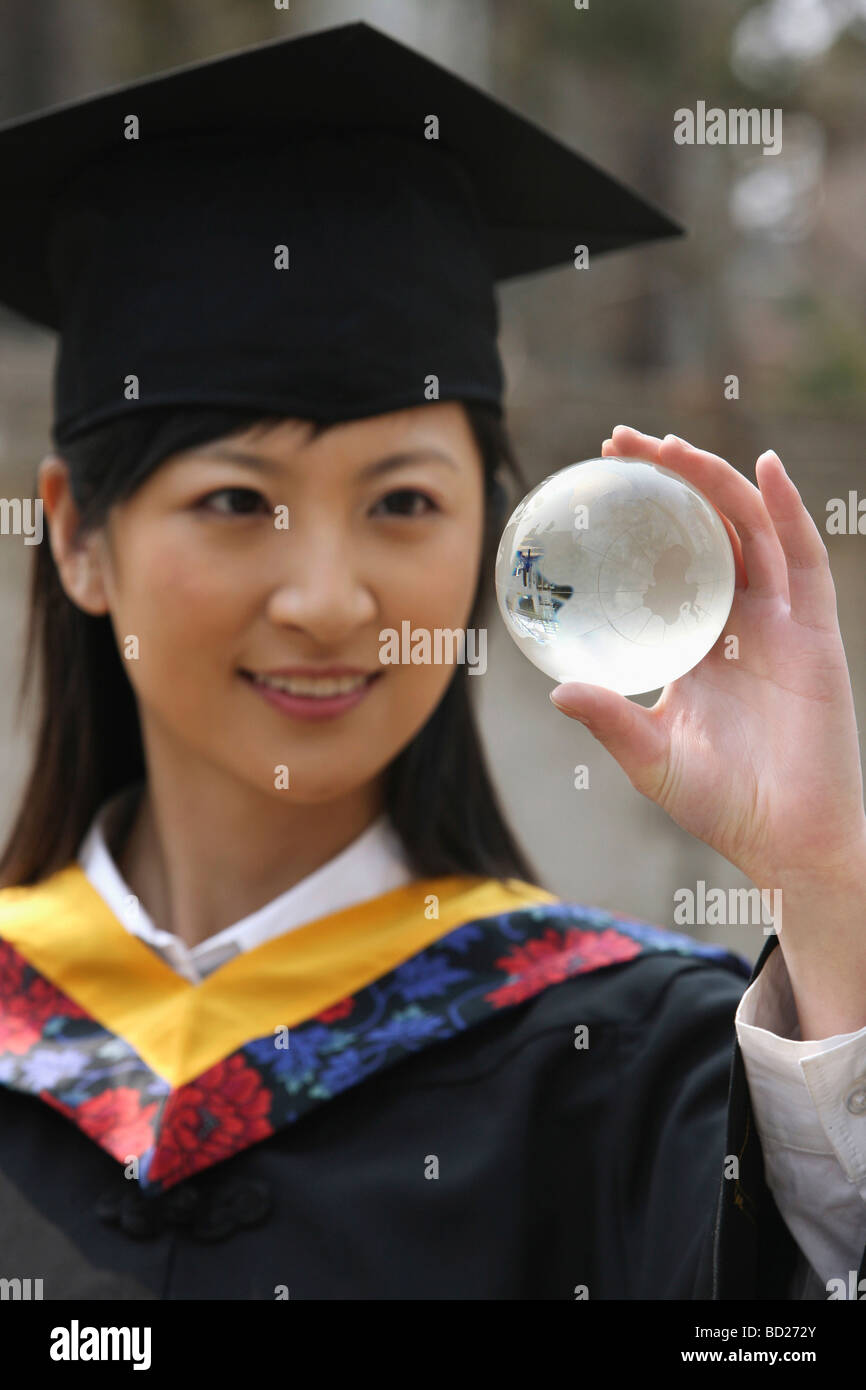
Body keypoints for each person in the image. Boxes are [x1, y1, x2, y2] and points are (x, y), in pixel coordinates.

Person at [0, 20, 864, 1302]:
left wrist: (830, 892)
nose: (328, 598)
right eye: (238, 501)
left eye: (402, 502)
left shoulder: (632, 1063)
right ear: (76, 535)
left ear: (489, 538)